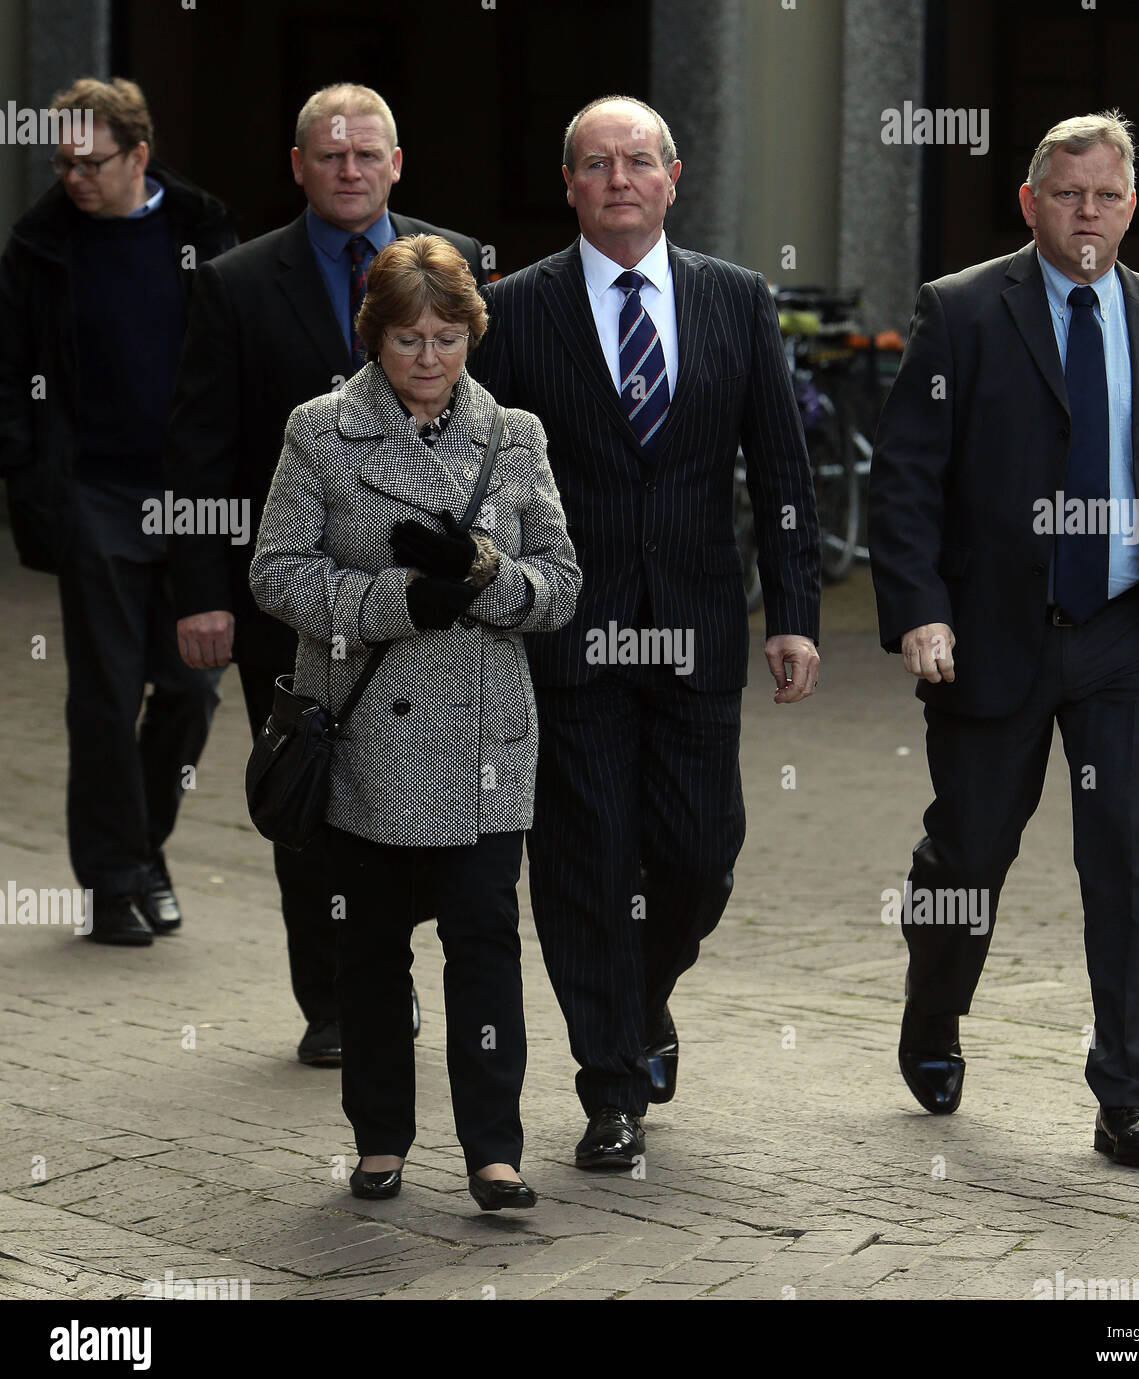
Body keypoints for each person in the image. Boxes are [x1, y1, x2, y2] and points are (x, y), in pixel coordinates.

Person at [868, 111, 1139, 1167]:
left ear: (1131, 207)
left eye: (1108, 195)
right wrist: (921, 608)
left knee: (1128, 864)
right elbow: (905, 479)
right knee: (969, 852)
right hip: (993, 632)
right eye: (1068, 193)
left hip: (1132, 635)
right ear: (1031, 202)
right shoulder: (964, 310)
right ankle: (934, 1010)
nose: (1088, 212)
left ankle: (1128, 1095)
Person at [468, 95, 821, 1171]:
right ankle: (610, 1082)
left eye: (636, 161)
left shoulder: (737, 299)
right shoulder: (516, 309)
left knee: (697, 854)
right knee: (584, 862)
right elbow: (487, 478)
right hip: (570, 633)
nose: (617, 178)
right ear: (570, 185)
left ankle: (644, 995)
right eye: (594, 164)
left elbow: (783, 469)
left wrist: (796, 614)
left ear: (674, 177)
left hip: (699, 629)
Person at [249, 234, 580, 1208]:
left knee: (485, 943)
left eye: (446, 337)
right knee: (372, 949)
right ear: (374, 338)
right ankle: (382, 1137)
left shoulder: (514, 436)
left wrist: (485, 579)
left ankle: (493, 1151)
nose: (428, 359)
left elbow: (560, 586)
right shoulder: (319, 430)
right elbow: (275, 572)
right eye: (406, 339)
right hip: (368, 738)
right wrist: (400, 599)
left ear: (472, 334)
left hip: (486, 743)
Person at [164, 83, 486, 1064]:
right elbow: (200, 451)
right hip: (294, 602)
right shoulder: (233, 283)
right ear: (298, 167)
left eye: (366, 153)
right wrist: (198, 591)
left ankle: (386, 962)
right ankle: (339, 1003)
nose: (349, 169)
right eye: (329, 154)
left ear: (395, 164)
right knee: (314, 798)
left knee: (428, 799)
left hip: (435, 603)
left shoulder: (459, 263)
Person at [0, 77, 235, 945]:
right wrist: (35, 479)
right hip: (92, 491)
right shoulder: (40, 246)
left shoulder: (201, 231)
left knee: (191, 688)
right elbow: (10, 373)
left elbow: (231, 361)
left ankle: (143, 849)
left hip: (192, 495)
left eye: (90, 163)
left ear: (139, 156)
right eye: (60, 162)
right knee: (103, 695)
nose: (72, 178)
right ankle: (109, 884)